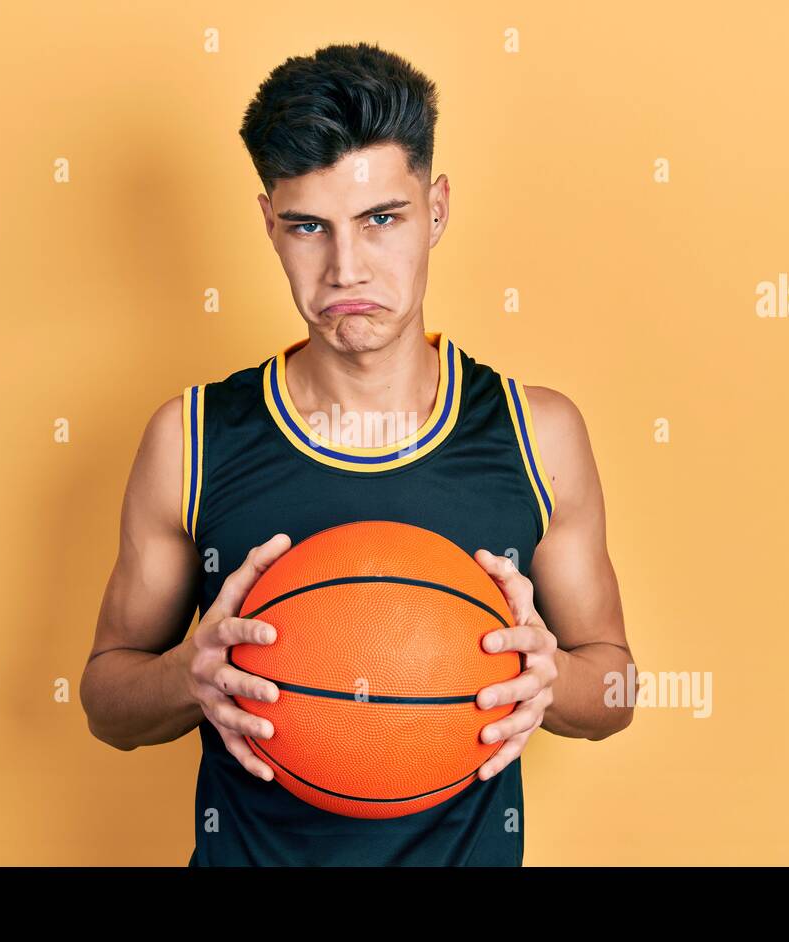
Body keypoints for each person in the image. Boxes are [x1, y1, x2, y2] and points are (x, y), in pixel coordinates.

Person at [79, 41, 634, 866]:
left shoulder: (536, 431)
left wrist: (554, 675)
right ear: (269, 224)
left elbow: (617, 691)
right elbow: (104, 700)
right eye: (309, 226)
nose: (346, 268)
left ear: (437, 210)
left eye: (382, 220)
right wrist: (186, 677)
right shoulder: (191, 438)